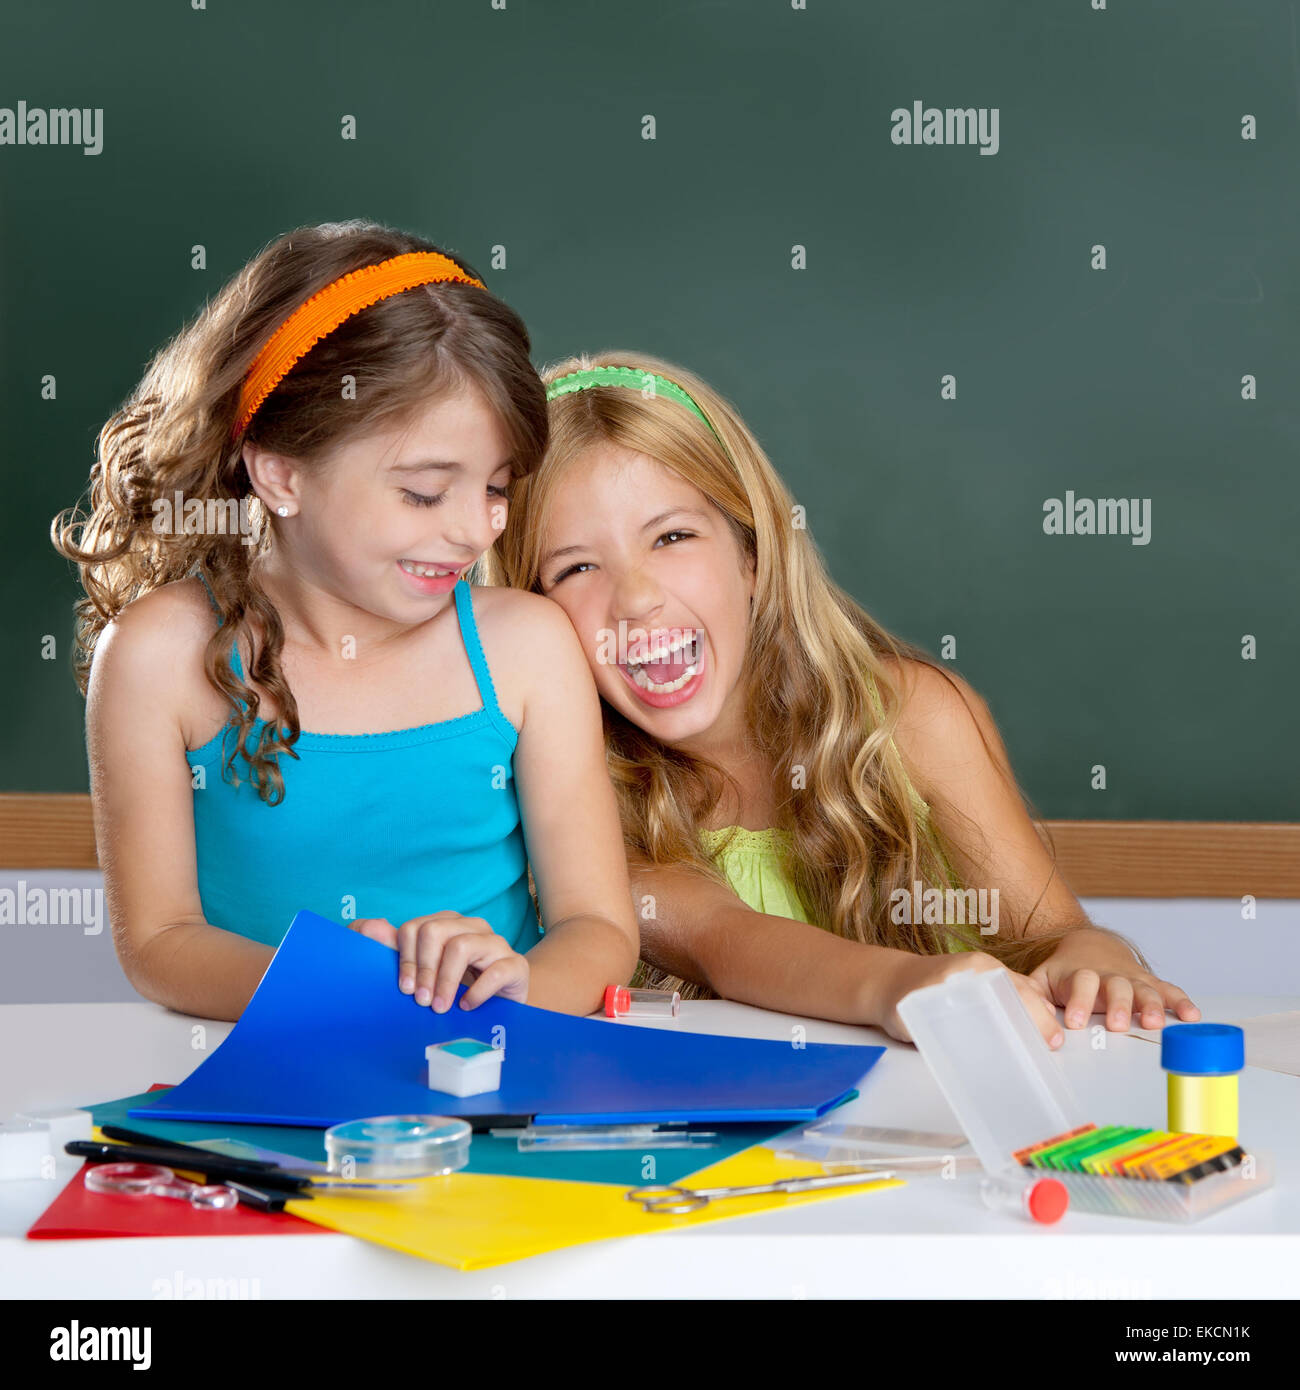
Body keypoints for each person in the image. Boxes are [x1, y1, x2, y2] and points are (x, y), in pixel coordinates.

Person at [484, 352, 1200, 1046]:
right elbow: (724, 941)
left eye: (672, 536)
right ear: (532, 613)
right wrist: (901, 987)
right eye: (576, 567)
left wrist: (1099, 961)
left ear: (753, 555)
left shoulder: (916, 717)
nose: (636, 598)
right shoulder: (584, 801)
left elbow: (1056, 933)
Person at [50, 224, 637, 1022]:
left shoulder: (526, 648)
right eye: (426, 493)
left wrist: (523, 985)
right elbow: (159, 942)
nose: (476, 530)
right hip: (262, 1093)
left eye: (496, 487)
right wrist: (328, 986)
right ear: (281, 472)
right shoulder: (158, 658)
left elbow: (597, 927)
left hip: (494, 1077)